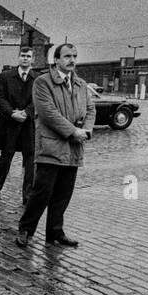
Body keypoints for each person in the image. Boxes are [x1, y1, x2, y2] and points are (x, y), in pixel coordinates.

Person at [16, 43, 94, 248]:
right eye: (67, 56)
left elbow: (91, 109)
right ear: (56, 59)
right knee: (41, 192)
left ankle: (55, 232)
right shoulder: (43, 82)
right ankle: (25, 229)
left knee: (63, 194)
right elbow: (47, 113)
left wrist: (86, 130)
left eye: (75, 56)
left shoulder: (81, 84)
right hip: (51, 147)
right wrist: (73, 131)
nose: (72, 60)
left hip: (74, 149)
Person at [0, 46, 38, 203]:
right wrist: (12, 113)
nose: (25, 58)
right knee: (5, 158)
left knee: (30, 160)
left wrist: (26, 113)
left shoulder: (37, 78)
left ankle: (27, 195)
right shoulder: (5, 76)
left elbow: (38, 99)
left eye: (28, 56)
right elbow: (0, 96)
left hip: (28, 126)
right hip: (9, 125)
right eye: (23, 55)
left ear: (32, 59)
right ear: (18, 57)